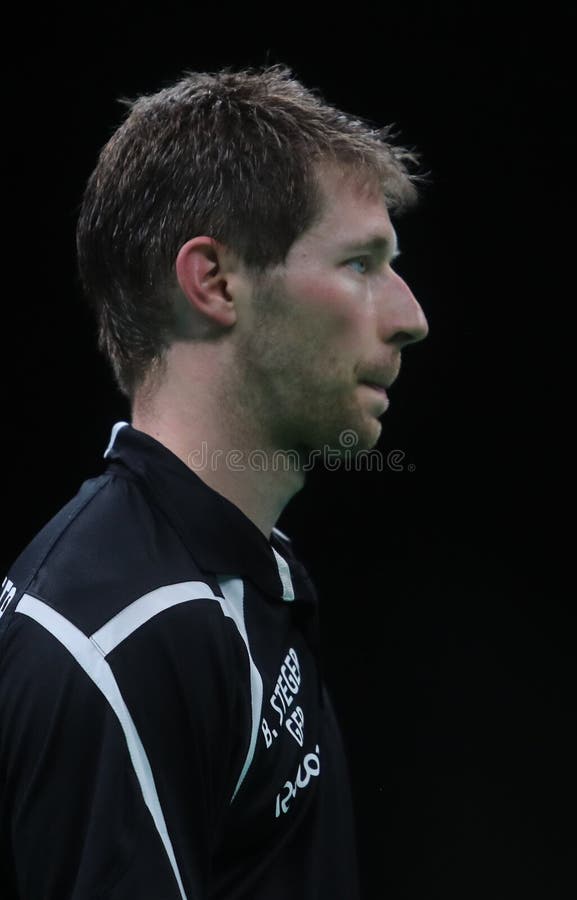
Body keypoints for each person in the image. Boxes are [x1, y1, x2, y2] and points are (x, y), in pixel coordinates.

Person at [0, 64, 429, 899]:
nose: (410, 315)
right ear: (216, 282)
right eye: (360, 263)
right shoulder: (122, 643)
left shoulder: (230, 576)